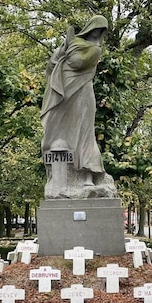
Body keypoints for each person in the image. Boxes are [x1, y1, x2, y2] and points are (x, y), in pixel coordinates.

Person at [41, 15, 108, 187]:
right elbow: (52, 64)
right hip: (64, 93)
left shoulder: (95, 50)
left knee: (85, 134)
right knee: (60, 130)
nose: (97, 33)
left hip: (83, 93)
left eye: (101, 31)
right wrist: (63, 50)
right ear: (90, 28)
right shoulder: (74, 42)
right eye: (96, 29)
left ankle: (88, 176)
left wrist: (67, 52)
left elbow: (77, 63)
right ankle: (59, 176)